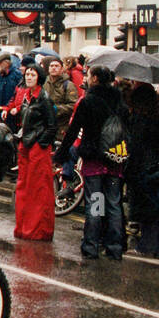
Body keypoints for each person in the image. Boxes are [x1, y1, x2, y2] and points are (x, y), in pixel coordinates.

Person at [54, 65, 127, 260]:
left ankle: (91, 245)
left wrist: (61, 154)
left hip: (94, 159)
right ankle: (114, 247)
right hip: (114, 159)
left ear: (94, 78)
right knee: (113, 204)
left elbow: (73, 130)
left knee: (96, 203)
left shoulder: (88, 102)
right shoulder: (120, 101)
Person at [5, 63, 56, 240]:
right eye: (27, 74)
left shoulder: (44, 98)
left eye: (32, 75)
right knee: (24, 188)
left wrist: (40, 144)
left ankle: (37, 230)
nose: (28, 77)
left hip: (36, 147)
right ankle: (25, 227)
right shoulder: (27, 96)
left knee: (37, 190)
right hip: (27, 145)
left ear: (39, 77)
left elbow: (51, 126)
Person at [125, 83, 159, 257]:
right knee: (154, 207)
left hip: (140, 166)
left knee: (143, 208)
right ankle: (157, 244)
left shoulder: (137, 117)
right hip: (154, 163)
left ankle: (146, 245)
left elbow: (135, 144)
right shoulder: (156, 113)